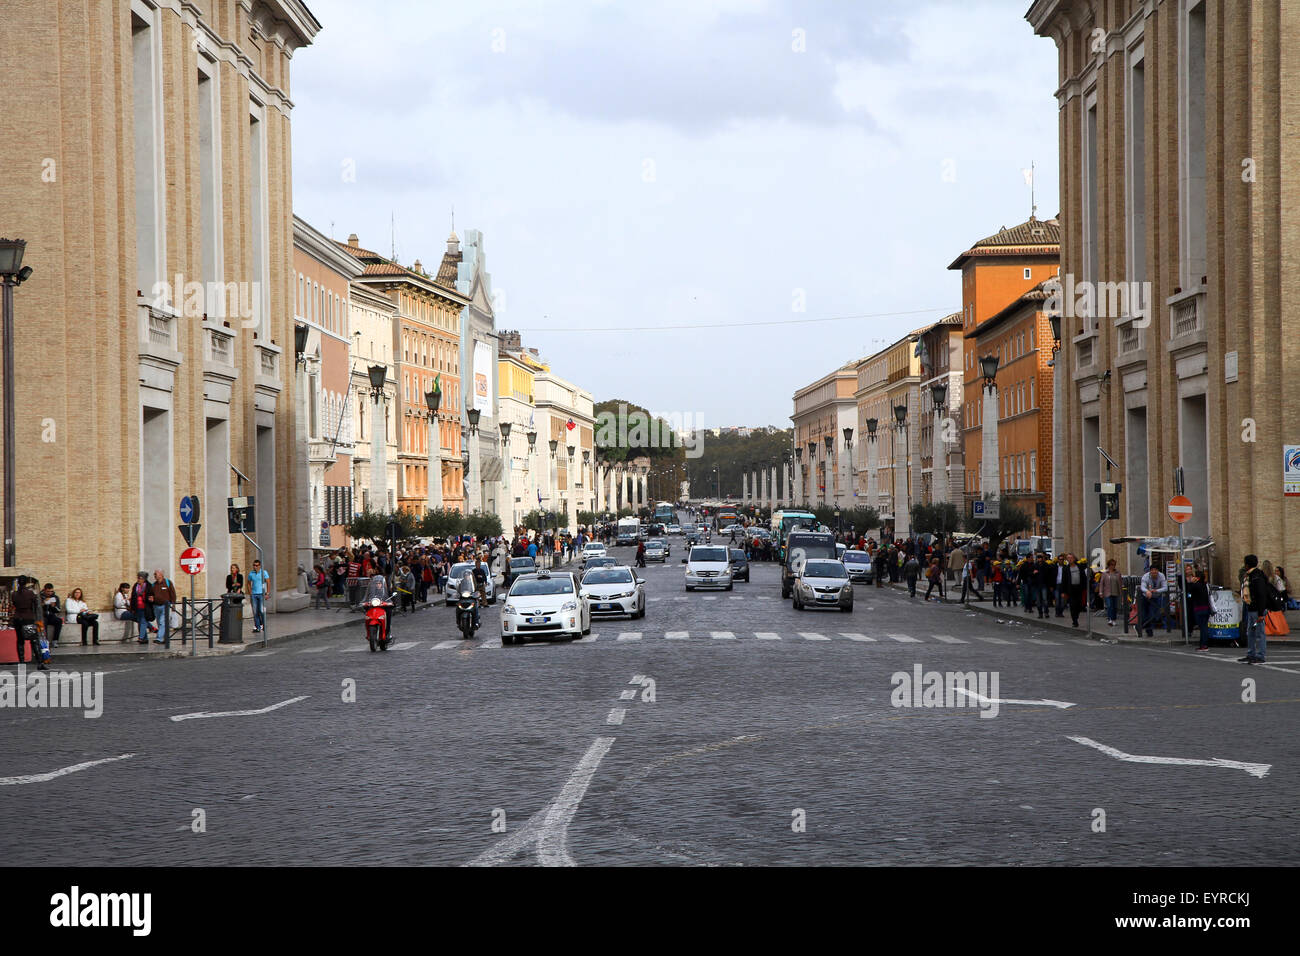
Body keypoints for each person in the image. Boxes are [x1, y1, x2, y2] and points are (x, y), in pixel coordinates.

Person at [1239, 554, 1270, 664]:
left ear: (1247, 564)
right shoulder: (1250, 575)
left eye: (1245, 563)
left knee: (1260, 633)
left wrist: (1261, 613)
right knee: (1251, 632)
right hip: (1251, 608)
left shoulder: (1257, 576)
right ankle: (1251, 653)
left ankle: (1261, 655)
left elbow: (1261, 595)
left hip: (1257, 610)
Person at [11, 576, 47, 670]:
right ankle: (40, 662)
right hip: (28, 617)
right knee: (34, 640)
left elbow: (14, 604)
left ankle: (22, 663)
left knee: (20, 640)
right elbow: (35, 606)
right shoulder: (30, 593)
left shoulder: (14, 594)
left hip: (17, 618)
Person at [1138, 564, 1168, 637]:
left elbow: (1165, 587)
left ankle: (1142, 627)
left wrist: (1156, 591)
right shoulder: (1145, 577)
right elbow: (1142, 587)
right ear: (1150, 571)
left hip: (1155, 597)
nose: (1154, 572)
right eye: (1152, 571)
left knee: (1153, 614)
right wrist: (1147, 591)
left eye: (1156, 571)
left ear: (1158, 571)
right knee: (1144, 614)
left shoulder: (1161, 576)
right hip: (1145, 597)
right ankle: (1147, 630)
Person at [1186, 565, 1212, 651]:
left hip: (1199, 609)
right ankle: (1203, 644)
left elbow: (1189, 595)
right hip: (1206, 608)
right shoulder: (1205, 585)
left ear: (1197, 577)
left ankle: (1204, 645)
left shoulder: (1195, 585)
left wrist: (1190, 583)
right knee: (1204, 626)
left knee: (1203, 627)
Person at [151, 569, 177, 645]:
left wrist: (173, 605)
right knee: (160, 623)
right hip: (156, 606)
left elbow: (173, 594)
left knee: (162, 622)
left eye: (156, 574)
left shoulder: (168, 583)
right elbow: (151, 594)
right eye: (154, 574)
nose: (154, 575)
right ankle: (165, 639)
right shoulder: (154, 585)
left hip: (165, 606)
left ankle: (159, 638)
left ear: (161, 574)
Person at [1062, 554, 1086, 627]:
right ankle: (1074, 621)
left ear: (1074, 558)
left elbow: (1083, 577)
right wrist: (1063, 592)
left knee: (1079, 605)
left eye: (1071, 558)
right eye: (1068, 558)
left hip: (1079, 588)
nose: (1070, 559)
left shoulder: (1079, 566)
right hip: (1071, 589)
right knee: (1072, 605)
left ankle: (1076, 615)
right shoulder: (1066, 569)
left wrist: (1084, 587)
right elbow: (1064, 580)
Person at [246, 559, 270, 634]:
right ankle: (257, 626)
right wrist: (250, 593)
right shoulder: (251, 573)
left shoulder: (264, 572)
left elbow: (268, 582)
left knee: (261, 610)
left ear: (259, 566)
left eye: (256, 565)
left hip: (261, 594)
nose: (255, 567)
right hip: (254, 594)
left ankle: (263, 624)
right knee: (255, 611)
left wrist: (267, 593)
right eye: (254, 565)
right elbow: (248, 583)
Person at [129, 572, 153, 643]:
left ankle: (141, 637)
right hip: (137, 607)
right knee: (140, 622)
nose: (138, 579)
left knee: (143, 621)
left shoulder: (149, 586)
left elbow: (151, 595)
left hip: (146, 607)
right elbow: (133, 597)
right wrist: (132, 607)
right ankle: (145, 639)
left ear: (144, 579)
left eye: (140, 578)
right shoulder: (136, 585)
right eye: (138, 578)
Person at [1100, 559, 1123, 627]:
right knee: (1109, 606)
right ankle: (1110, 619)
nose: (1112, 566)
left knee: (1115, 607)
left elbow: (1120, 583)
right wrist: (1101, 592)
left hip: (1115, 592)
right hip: (1107, 592)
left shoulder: (1118, 573)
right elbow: (1101, 583)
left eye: (1114, 565)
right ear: (1108, 565)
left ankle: (1114, 619)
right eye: (1111, 565)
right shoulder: (1105, 573)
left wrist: (1121, 593)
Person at [40, 583, 63, 647]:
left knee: (59, 621)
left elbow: (58, 610)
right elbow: (36, 608)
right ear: (44, 590)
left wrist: (54, 606)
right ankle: (45, 641)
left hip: (51, 615)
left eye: (51, 591)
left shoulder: (55, 597)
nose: (50, 593)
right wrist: (43, 603)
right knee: (44, 622)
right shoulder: (39, 596)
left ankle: (55, 640)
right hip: (43, 615)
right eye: (48, 591)